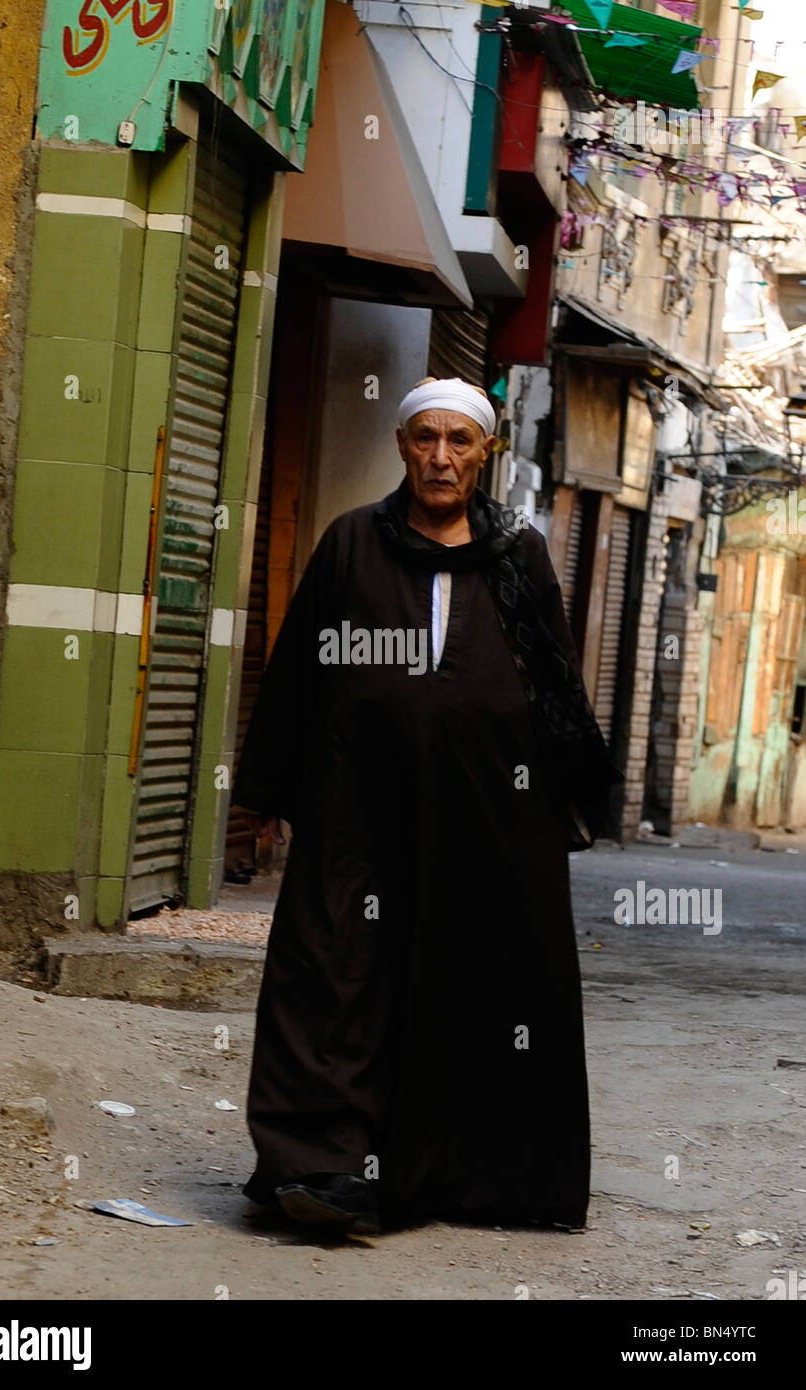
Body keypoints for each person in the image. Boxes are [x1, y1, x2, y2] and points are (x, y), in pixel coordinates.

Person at [231, 376, 621, 1234]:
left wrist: (570, 798)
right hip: (356, 808)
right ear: (403, 447)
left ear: (486, 453)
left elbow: (555, 683)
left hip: (486, 813)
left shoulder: (518, 553)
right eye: (424, 439)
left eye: (459, 441)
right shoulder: (352, 542)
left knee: (469, 982)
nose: (440, 457)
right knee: (331, 971)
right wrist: (262, 792)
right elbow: (298, 671)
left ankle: (455, 1177)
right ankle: (320, 1165)